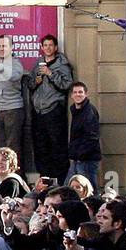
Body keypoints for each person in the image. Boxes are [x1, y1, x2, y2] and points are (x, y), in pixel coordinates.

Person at [30, 35, 74, 182]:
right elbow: (30, 84)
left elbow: (67, 85)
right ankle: (45, 180)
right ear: (41, 48)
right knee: (41, 148)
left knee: (57, 147)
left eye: (50, 45)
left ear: (55, 47)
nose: (48, 48)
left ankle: (60, 181)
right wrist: (35, 81)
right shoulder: (38, 64)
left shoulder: (62, 64)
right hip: (38, 112)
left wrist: (50, 73)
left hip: (54, 110)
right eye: (45, 45)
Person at [0, 35, 28, 155]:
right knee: (1, 146)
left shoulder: (15, 63)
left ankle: (15, 168)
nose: (1, 49)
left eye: (4, 46)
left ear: (11, 48)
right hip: (1, 110)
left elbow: (13, 75)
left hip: (13, 110)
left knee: (12, 147)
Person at [67, 81, 102, 190]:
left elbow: (92, 137)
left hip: (87, 159)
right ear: (71, 95)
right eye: (75, 92)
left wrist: (80, 155)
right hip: (78, 158)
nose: (78, 95)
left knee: (88, 190)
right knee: (69, 189)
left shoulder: (89, 112)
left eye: (80, 92)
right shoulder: (76, 110)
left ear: (86, 94)